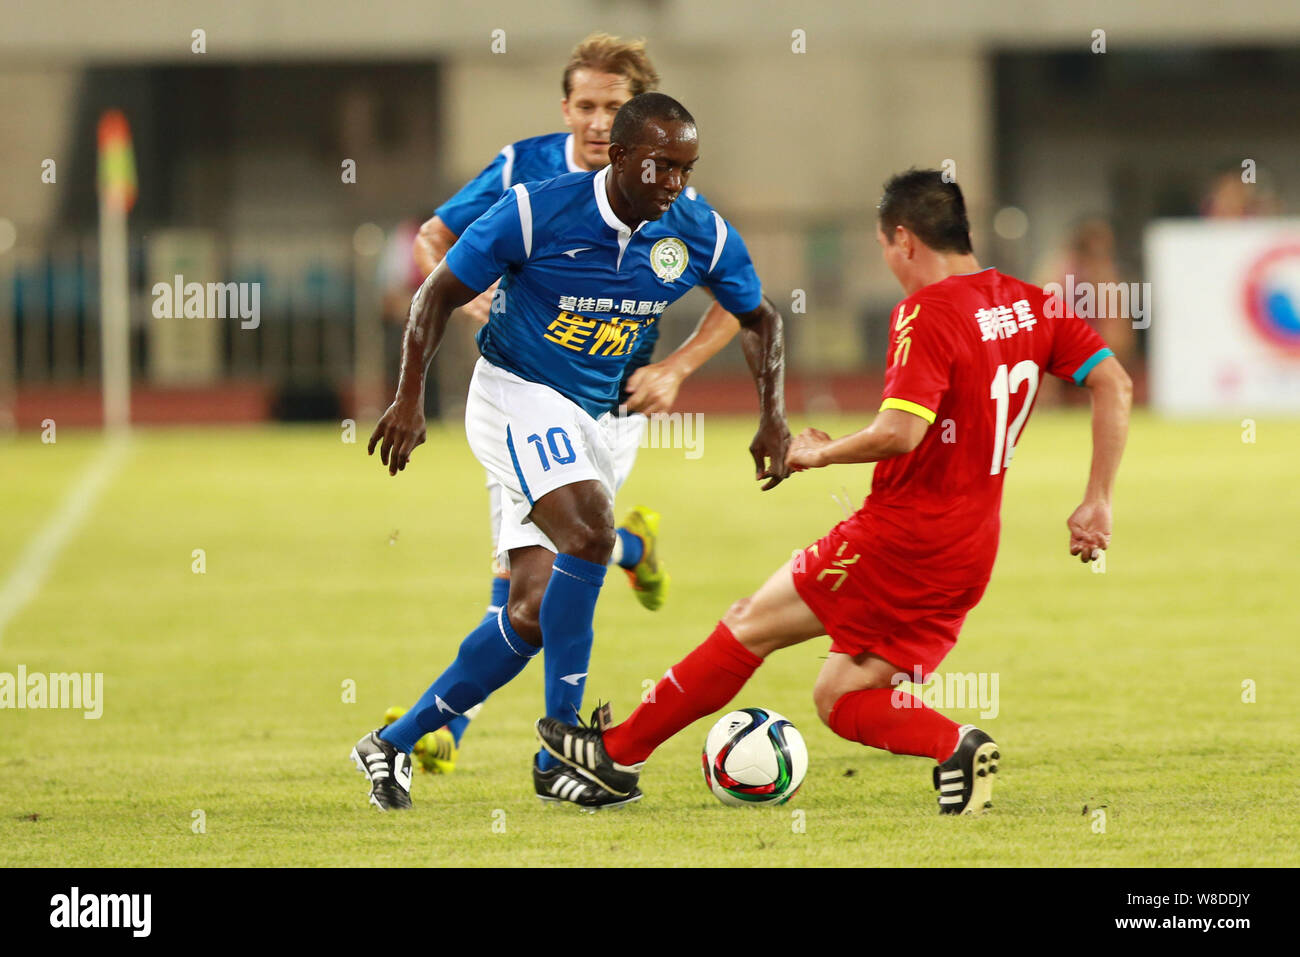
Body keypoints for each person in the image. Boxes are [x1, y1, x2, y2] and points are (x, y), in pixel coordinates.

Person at [535, 168, 1132, 816]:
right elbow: (1115, 383)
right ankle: (956, 746)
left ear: (904, 239)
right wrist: (1097, 498)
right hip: (969, 551)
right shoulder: (1033, 303)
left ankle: (617, 755)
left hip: (900, 539)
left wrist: (819, 452)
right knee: (841, 695)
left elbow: (900, 433)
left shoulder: (927, 312)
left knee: (749, 623)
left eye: (883, 247)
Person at [352, 93, 791, 810]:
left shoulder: (696, 230)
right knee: (591, 534)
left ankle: (392, 743)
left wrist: (772, 418)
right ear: (618, 157)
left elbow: (761, 318)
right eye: (661, 166)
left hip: (589, 417)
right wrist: (407, 398)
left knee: (529, 612)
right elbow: (436, 292)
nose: (675, 183)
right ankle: (563, 746)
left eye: (686, 168)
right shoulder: (536, 211)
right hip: (514, 392)